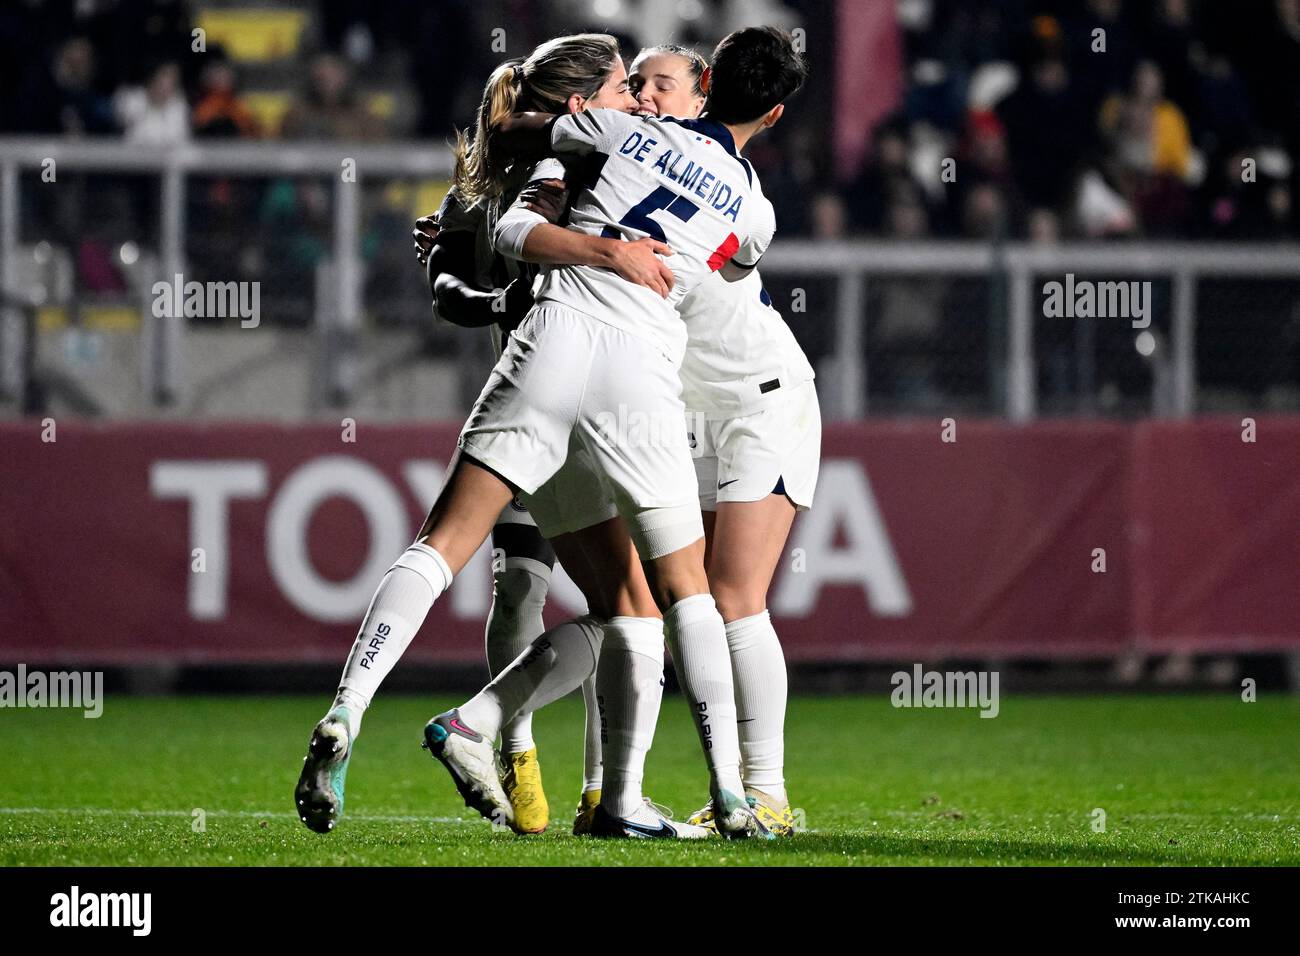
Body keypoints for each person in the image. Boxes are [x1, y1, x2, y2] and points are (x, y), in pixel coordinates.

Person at [429, 25, 807, 839]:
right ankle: (585, 781)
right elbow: (521, 162)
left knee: (716, 598)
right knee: (613, 604)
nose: (642, 93)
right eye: (633, 80)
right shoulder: (638, 150)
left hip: (746, 396)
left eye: (659, 83)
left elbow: (721, 255)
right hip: (627, 389)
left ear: (706, 89)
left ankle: (751, 790)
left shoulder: (656, 156)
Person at [405, 34, 669, 835]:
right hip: (529, 404)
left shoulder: (602, 170)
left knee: (612, 600)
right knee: (523, 588)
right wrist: (477, 279)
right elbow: (448, 284)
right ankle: (511, 742)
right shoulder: (482, 195)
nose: (638, 100)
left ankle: (602, 785)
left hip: (602, 410)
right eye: (627, 87)